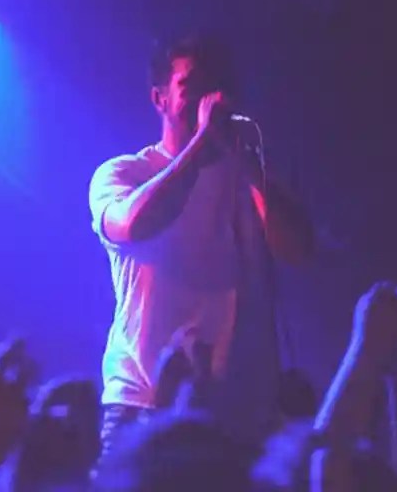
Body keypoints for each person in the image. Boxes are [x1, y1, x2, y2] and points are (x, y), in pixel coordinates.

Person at [88, 35, 314, 453]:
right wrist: (202, 145)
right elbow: (135, 224)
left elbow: (298, 250)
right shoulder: (125, 172)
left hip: (227, 411)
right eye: (192, 87)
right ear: (160, 99)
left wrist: (244, 162)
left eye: (216, 87)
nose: (209, 101)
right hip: (142, 403)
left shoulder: (244, 179)